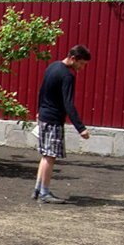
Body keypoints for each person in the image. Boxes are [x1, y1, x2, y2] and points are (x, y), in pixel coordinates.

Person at [33, 45, 92, 204]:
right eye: (81, 64)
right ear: (74, 59)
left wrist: (38, 109)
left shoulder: (52, 66)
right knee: (50, 157)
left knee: (45, 155)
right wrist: (81, 128)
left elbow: (42, 90)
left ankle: (38, 188)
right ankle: (45, 192)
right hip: (53, 119)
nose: (81, 68)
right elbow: (68, 103)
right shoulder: (67, 75)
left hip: (44, 116)